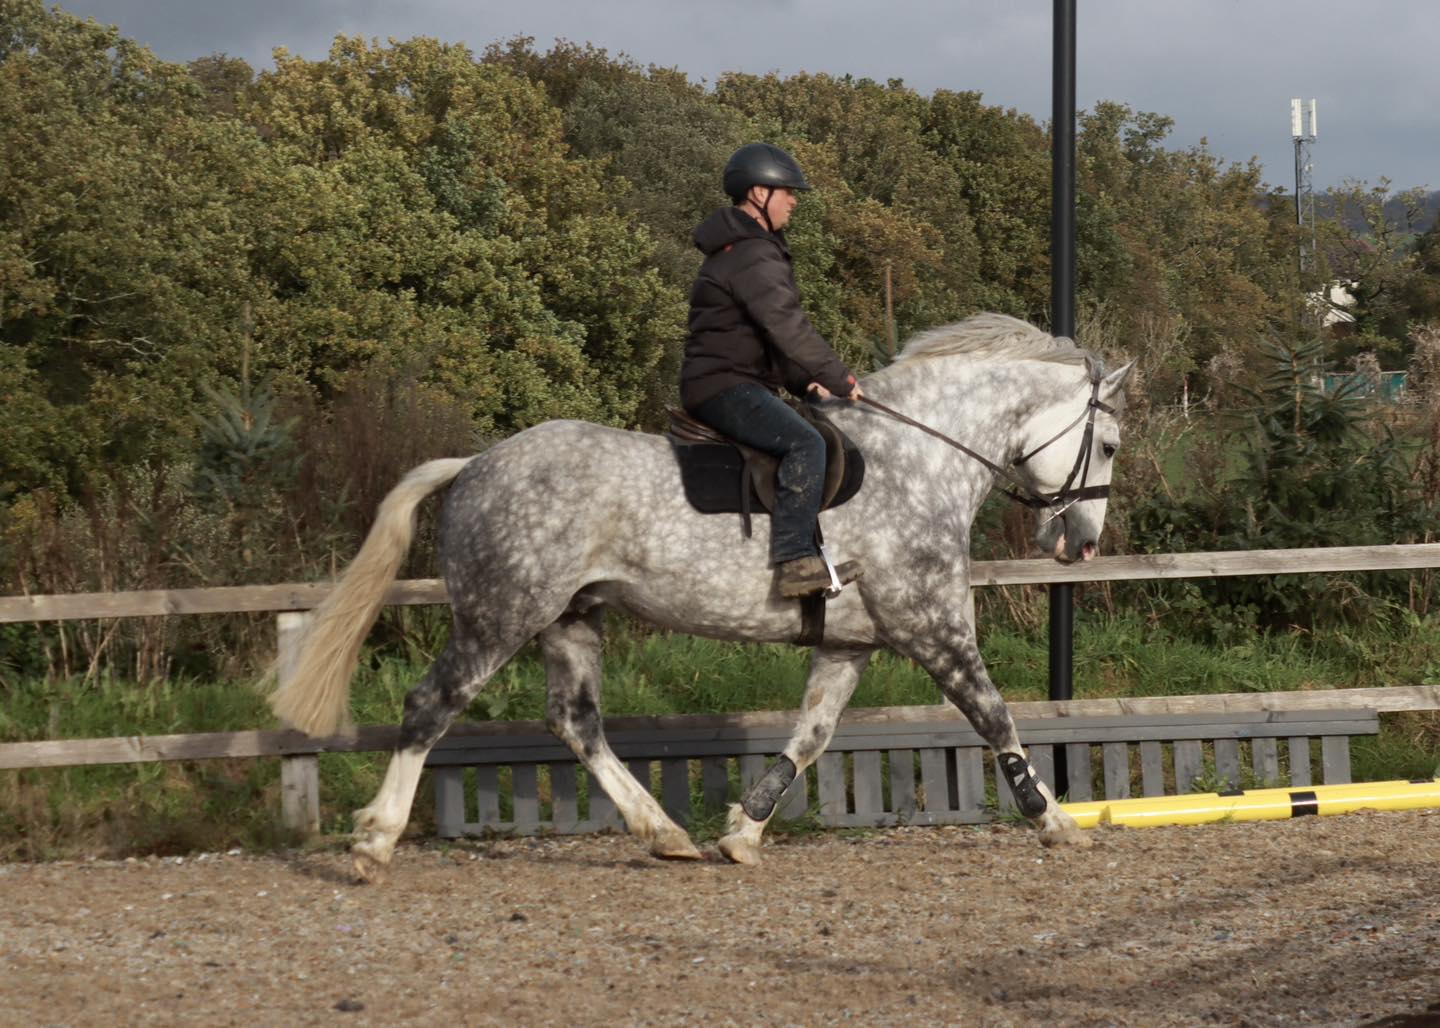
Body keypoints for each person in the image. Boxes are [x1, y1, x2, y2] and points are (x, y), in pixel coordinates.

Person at [681, 143, 865, 598]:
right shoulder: (751, 254)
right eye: (787, 192)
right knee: (805, 444)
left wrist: (806, 381)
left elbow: (768, 339)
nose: (794, 200)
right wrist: (841, 377)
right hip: (725, 386)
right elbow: (788, 327)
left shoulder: (746, 249)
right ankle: (795, 562)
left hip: (732, 380)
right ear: (759, 192)